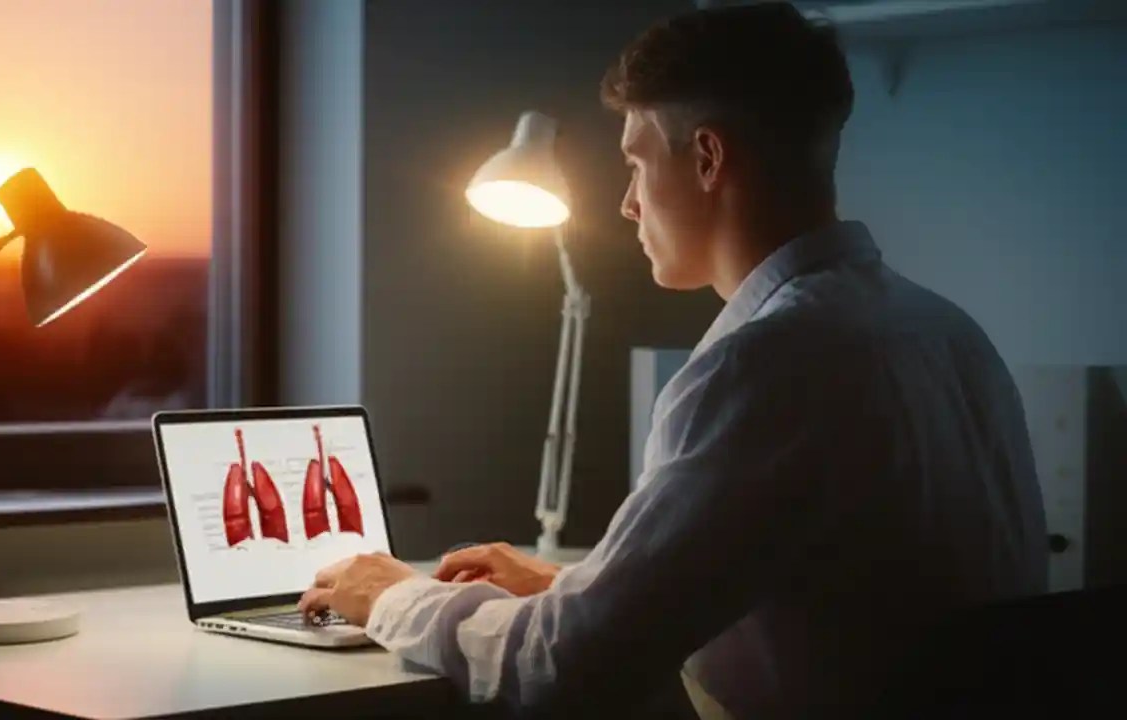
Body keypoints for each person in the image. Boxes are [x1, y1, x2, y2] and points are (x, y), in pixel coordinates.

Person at [299, 3, 1048, 717]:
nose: (627, 203)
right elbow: (823, 597)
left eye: (634, 162)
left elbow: (563, 668)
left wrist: (392, 595)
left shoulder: (761, 366)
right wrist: (573, 586)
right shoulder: (946, 332)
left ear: (708, 157)